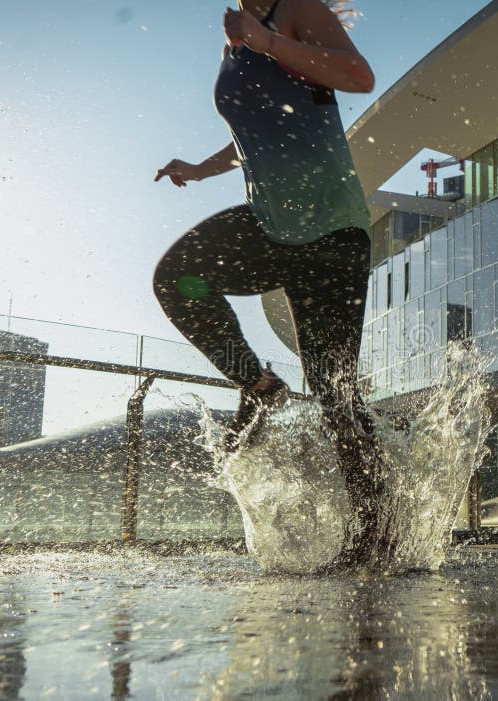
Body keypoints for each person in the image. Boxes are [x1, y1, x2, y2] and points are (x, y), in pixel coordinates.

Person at [152, 0, 384, 564]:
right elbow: (256, 128)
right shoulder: (234, 35)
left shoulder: (294, 11)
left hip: (330, 232)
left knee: (335, 394)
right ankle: (260, 389)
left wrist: (265, 40)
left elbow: (359, 76)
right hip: (271, 225)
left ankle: (375, 535)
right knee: (178, 277)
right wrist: (199, 170)